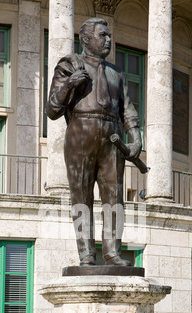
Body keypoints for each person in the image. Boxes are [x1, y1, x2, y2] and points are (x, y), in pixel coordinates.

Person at [46, 17, 142, 267]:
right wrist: (69, 85)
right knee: (81, 196)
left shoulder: (116, 73)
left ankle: (112, 252)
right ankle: (86, 254)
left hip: (112, 137)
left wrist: (136, 138)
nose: (109, 39)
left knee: (115, 197)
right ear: (86, 39)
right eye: (103, 35)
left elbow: (127, 110)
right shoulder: (70, 65)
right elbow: (52, 109)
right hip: (81, 133)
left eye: (109, 35)